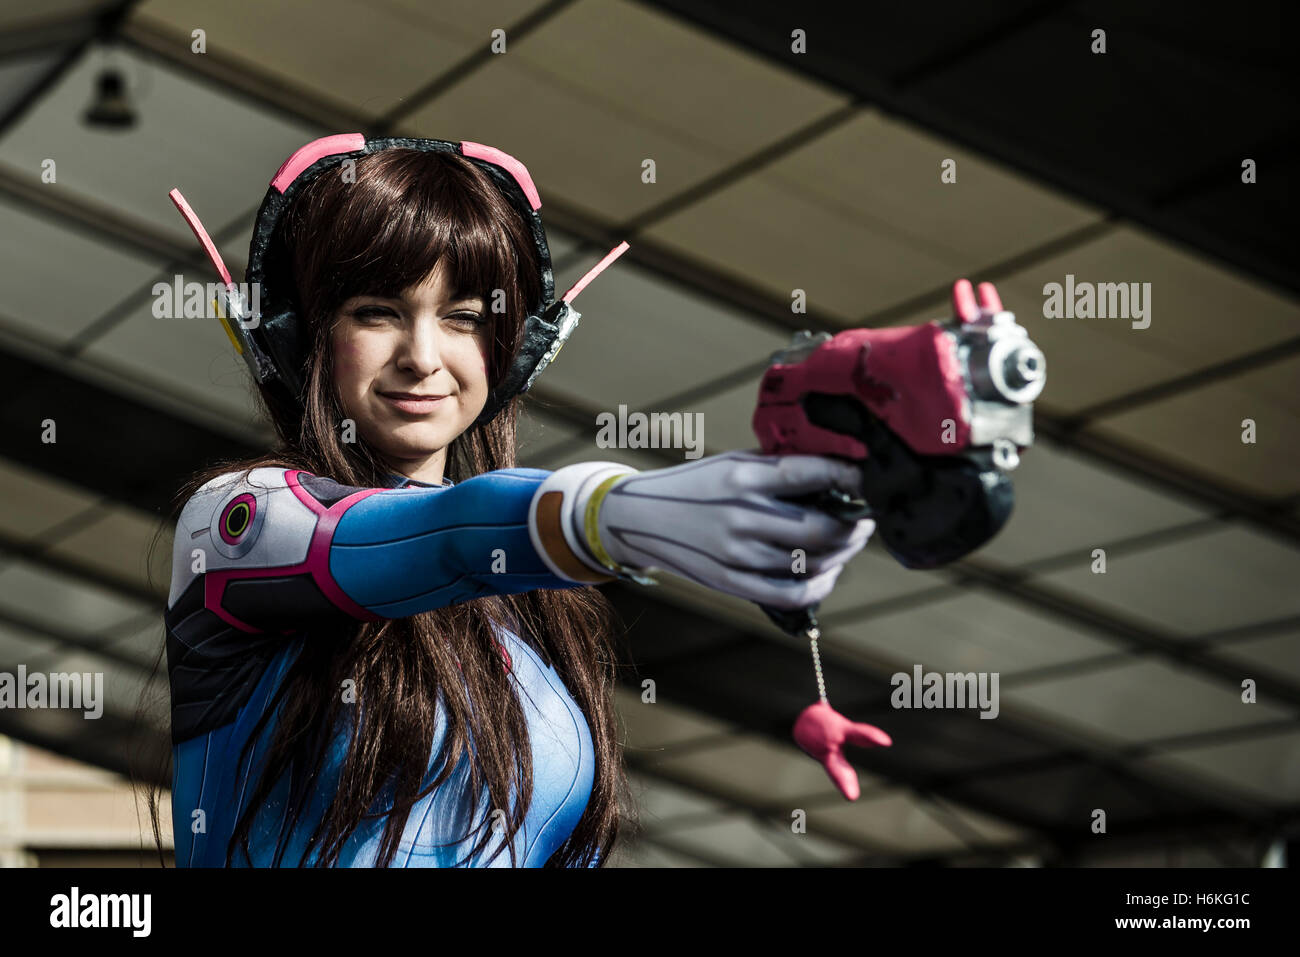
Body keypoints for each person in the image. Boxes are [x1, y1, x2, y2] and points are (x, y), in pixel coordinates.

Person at [148, 135, 876, 868]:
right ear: (299, 335)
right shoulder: (231, 523)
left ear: (516, 348)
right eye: (377, 311)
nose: (422, 356)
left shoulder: (536, 613)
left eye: (463, 316)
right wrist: (623, 515)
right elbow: (446, 535)